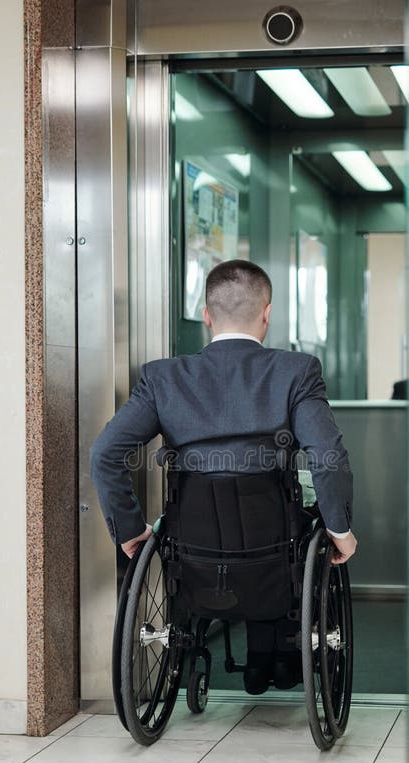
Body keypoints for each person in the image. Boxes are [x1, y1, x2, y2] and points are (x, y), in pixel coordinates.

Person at [90, 259, 357, 694]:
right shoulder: (296, 371)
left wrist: (131, 528)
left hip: (192, 545)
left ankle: (257, 659)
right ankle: (279, 658)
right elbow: (328, 457)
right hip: (276, 544)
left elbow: (105, 454)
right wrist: (339, 529)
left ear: (207, 316)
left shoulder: (162, 378)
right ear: (267, 313)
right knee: (304, 518)